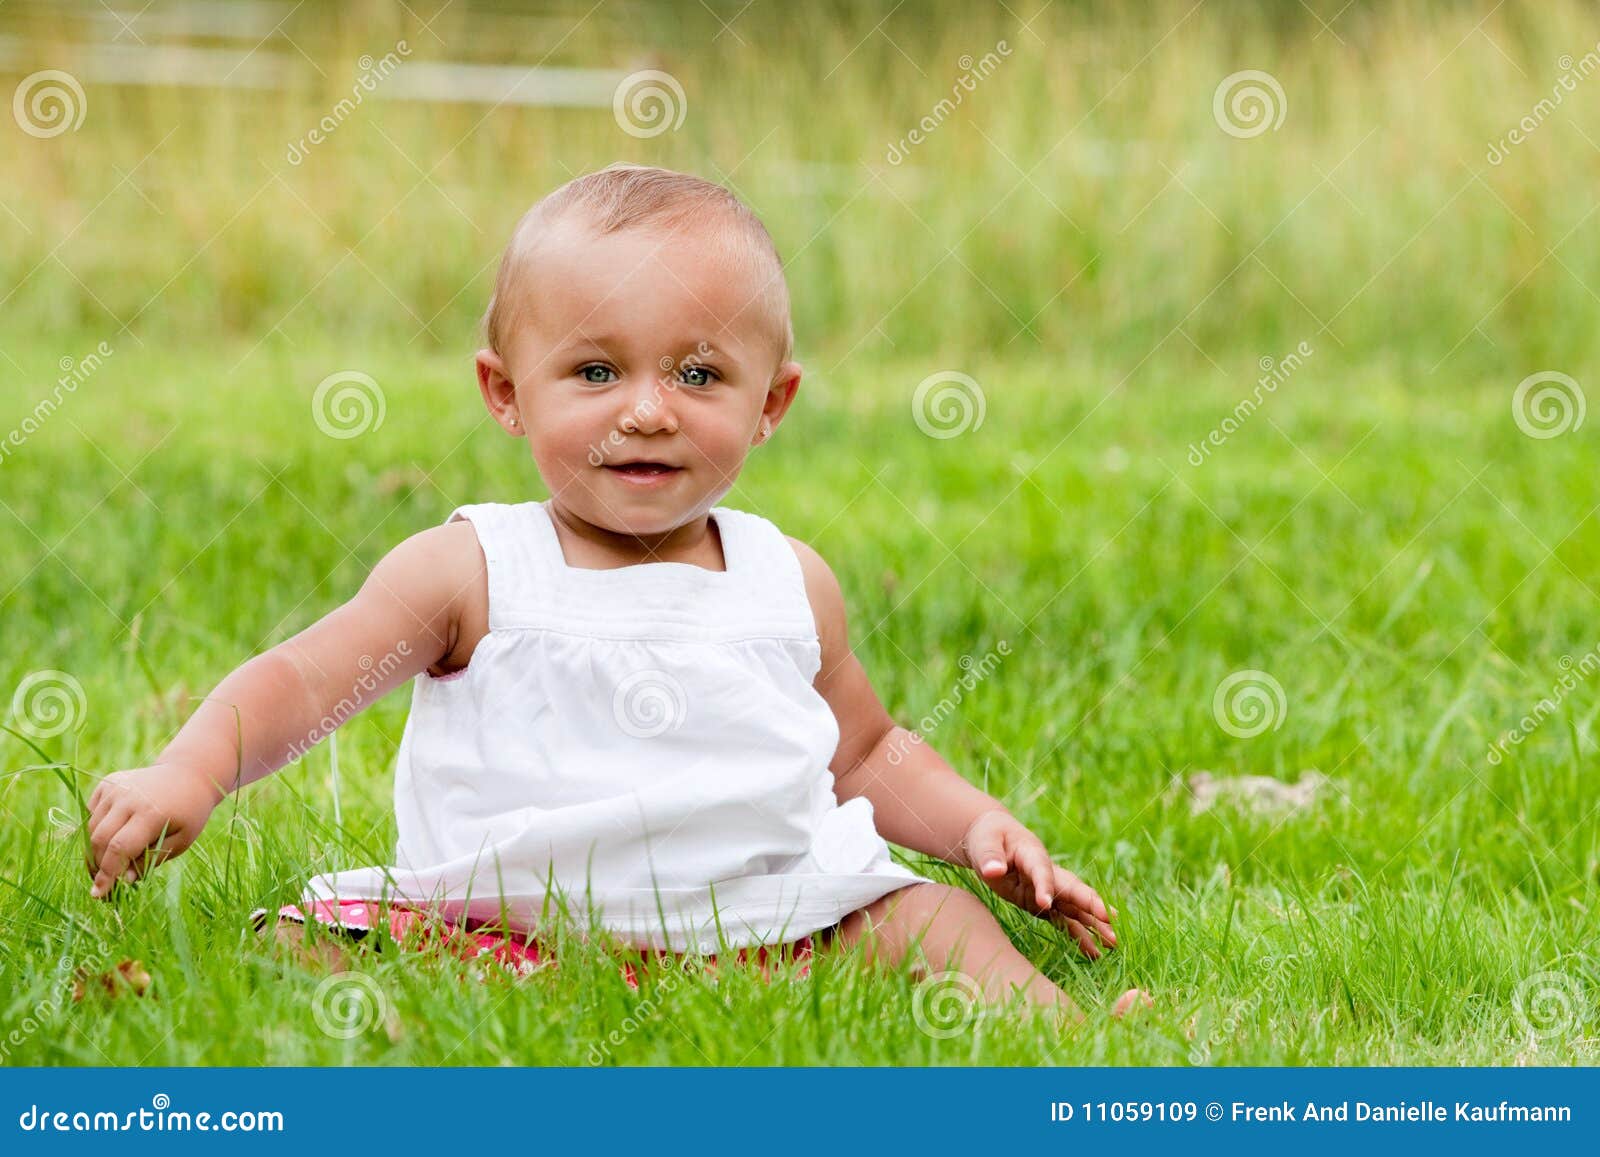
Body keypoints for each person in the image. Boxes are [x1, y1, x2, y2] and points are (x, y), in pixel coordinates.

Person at [84, 163, 1144, 1021]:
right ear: (506, 391)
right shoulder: (475, 569)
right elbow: (304, 680)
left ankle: (1070, 1030)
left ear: (770, 402)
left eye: (696, 375)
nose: (646, 411)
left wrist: (973, 827)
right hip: (513, 923)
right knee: (305, 941)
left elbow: (863, 752)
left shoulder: (785, 578)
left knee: (931, 922)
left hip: (764, 921)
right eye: (595, 372)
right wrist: (190, 770)